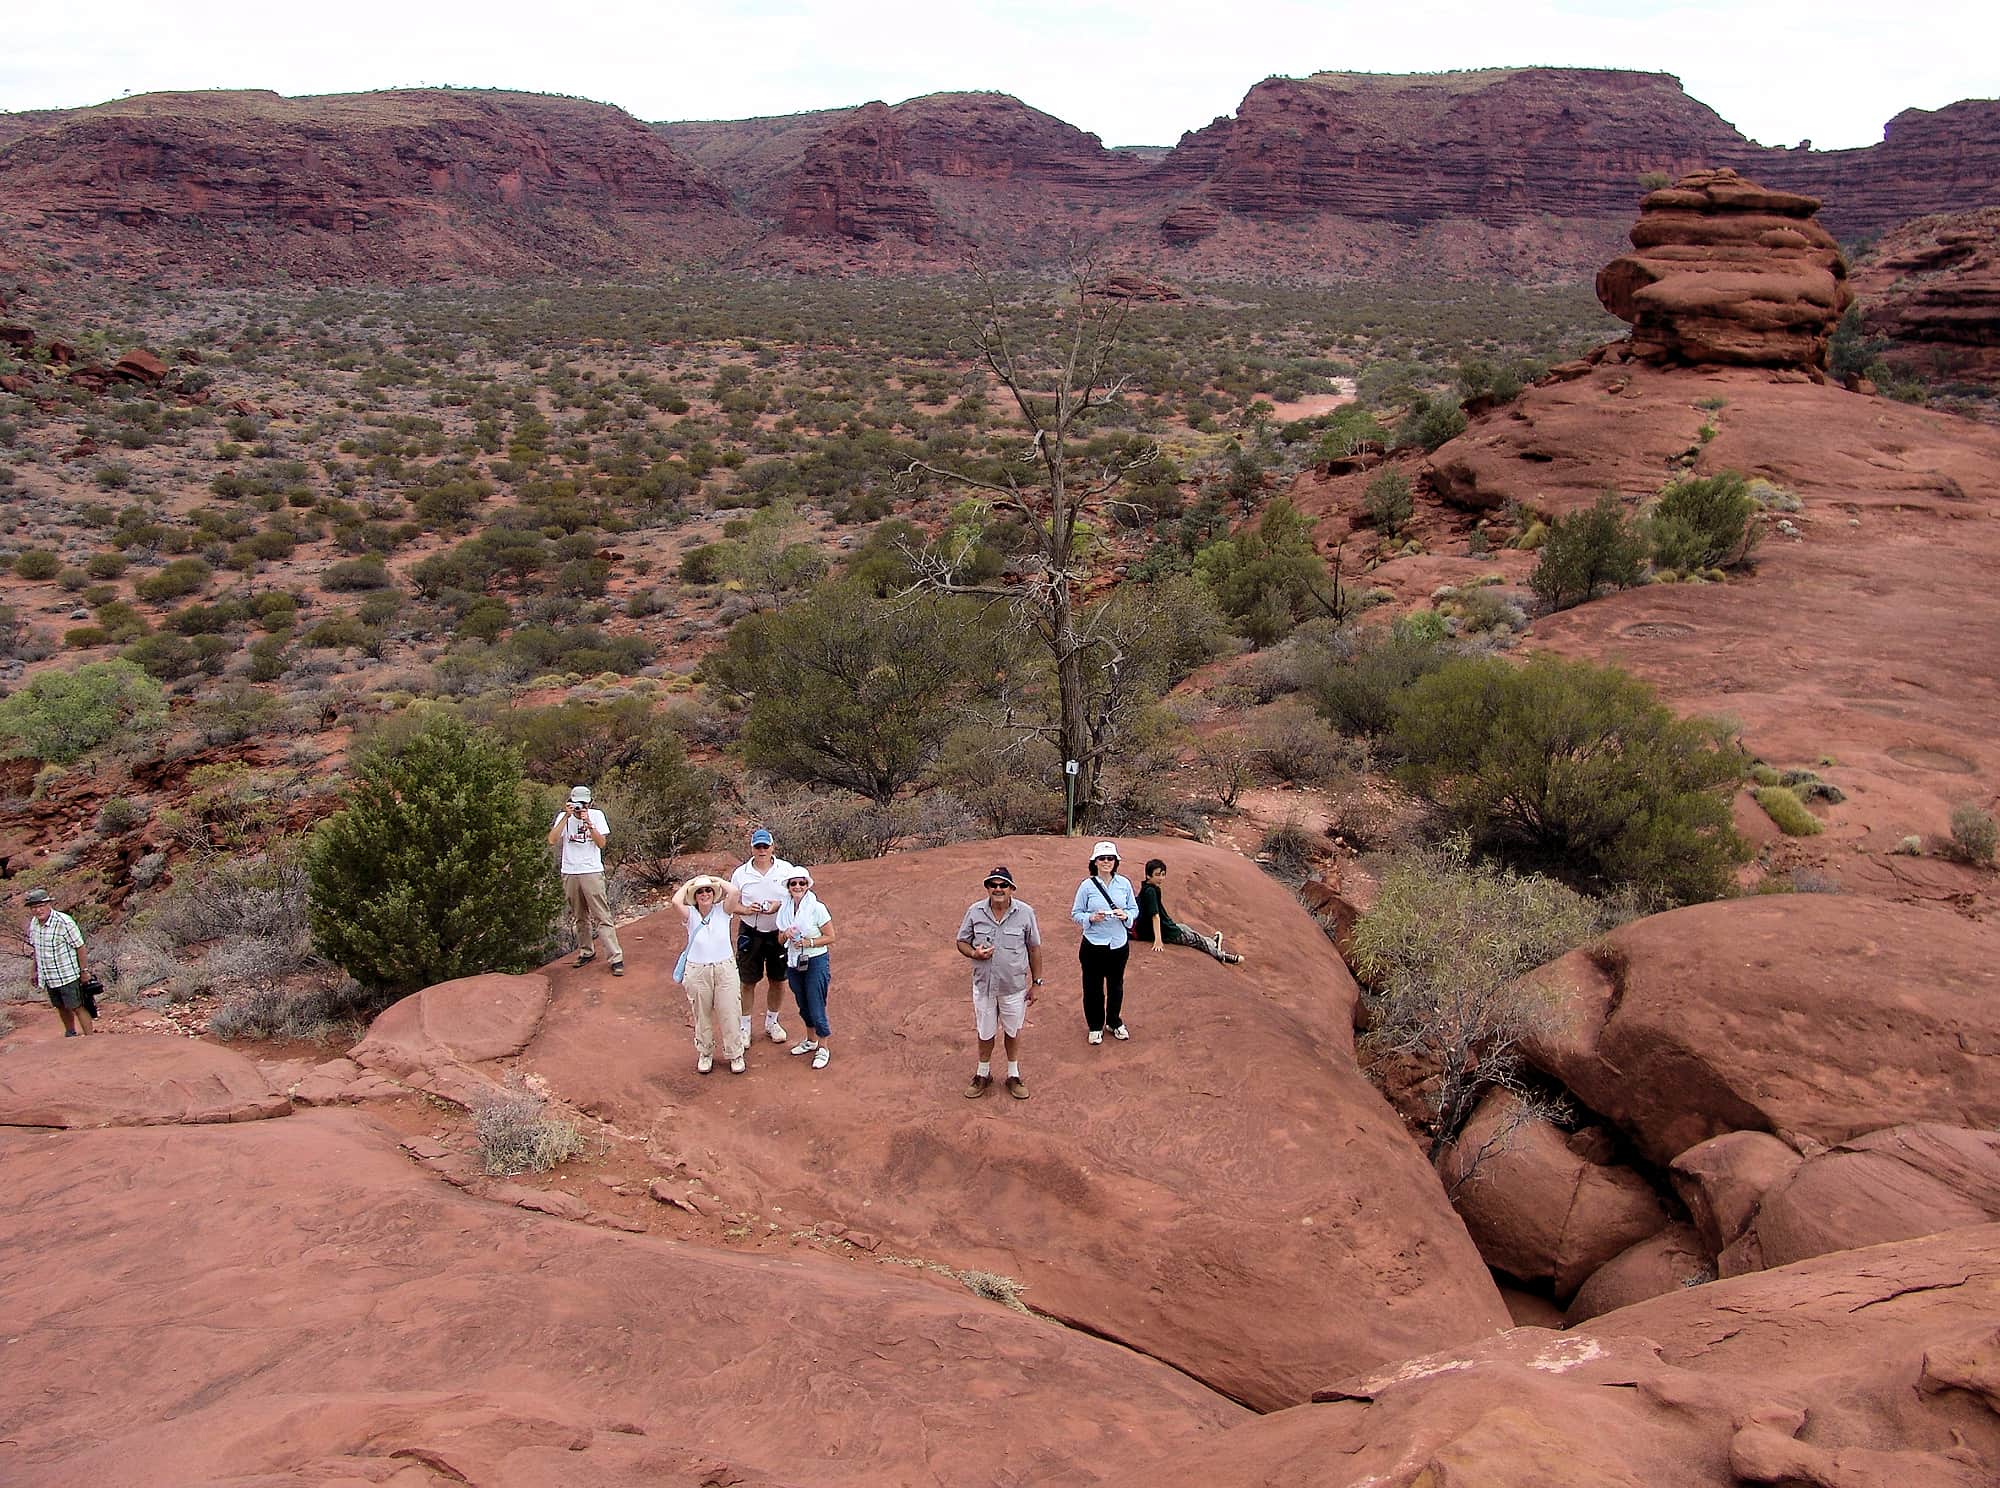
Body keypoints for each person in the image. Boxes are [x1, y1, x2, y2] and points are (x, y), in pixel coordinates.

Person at [955, 864, 1042, 1100]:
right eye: (993, 885)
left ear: (1011, 888)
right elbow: (961, 941)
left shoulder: (1025, 913)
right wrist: (974, 953)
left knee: (1013, 1031)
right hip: (984, 986)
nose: (998, 889)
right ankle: (983, 1073)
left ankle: (1013, 1075)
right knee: (985, 1031)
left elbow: (1034, 948)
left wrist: (1037, 983)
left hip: (1013, 986)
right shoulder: (975, 912)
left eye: (1003, 885)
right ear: (987, 888)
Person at [671, 875, 749, 1074]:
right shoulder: (690, 914)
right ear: (694, 896)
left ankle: (735, 1052)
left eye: (708, 891)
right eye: (700, 892)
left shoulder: (723, 910)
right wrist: (691, 883)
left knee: (730, 1011)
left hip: (725, 968)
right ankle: (705, 1052)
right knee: (701, 1014)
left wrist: (713, 880)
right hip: (698, 970)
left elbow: (734, 892)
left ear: (714, 894)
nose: (704, 894)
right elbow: (675, 901)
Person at [547, 785, 624, 976]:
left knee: (601, 915)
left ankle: (616, 957)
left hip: (591, 871)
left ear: (590, 802)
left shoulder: (597, 815)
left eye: (584, 802)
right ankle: (586, 951)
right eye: (577, 802)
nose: (581, 806)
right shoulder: (563, 817)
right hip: (570, 871)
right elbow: (552, 840)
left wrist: (589, 823)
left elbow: (601, 843)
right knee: (579, 915)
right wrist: (566, 816)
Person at [729, 828, 794, 1049]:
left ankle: (772, 1022)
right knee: (747, 981)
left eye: (766, 846)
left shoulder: (786, 870)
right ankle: (745, 1026)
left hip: (778, 932)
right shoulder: (741, 874)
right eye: (758, 847)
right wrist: (746, 910)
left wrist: (779, 905)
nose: (762, 850)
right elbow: (730, 905)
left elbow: (798, 896)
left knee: (778, 979)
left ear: (773, 847)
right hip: (750, 931)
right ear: (752, 849)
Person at [1070, 840, 1138, 1044]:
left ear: (1116, 861)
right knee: (1093, 987)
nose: (1107, 862)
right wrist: (1090, 918)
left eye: (1110, 858)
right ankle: (1095, 1026)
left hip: (1118, 944)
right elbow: (1076, 913)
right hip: (1093, 944)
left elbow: (1134, 909)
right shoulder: (1087, 886)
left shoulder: (1124, 884)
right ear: (1095, 862)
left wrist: (1125, 915)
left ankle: (1114, 1022)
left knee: (1116, 985)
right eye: (1102, 858)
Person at [776, 867, 834, 1070]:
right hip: (794, 960)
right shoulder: (785, 909)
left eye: (801, 883)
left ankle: (823, 1046)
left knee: (815, 1000)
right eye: (793, 884)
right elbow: (780, 938)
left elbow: (830, 936)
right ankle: (811, 1041)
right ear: (788, 887)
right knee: (802, 1000)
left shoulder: (816, 908)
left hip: (815, 961)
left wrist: (808, 942)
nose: (798, 887)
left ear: (807, 885)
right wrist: (787, 935)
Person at [1135, 858, 1244, 964]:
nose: (1161, 878)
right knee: (1195, 939)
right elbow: (1155, 916)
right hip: (1163, 932)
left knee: (1185, 928)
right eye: (1157, 875)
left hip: (1165, 927)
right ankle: (1221, 955)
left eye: (1163, 874)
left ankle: (1212, 942)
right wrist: (1158, 940)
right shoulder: (1150, 892)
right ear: (1148, 875)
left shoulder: (1150, 887)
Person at [25, 887, 93, 1037]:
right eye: (34, 907)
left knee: (77, 1006)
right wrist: (34, 971)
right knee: (60, 1006)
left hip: (67, 974)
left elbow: (80, 946)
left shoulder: (64, 922)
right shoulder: (34, 924)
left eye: (41, 906)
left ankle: (90, 1038)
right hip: (49, 976)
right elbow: (37, 949)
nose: (38, 910)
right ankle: (70, 1033)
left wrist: (84, 971)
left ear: (49, 905)